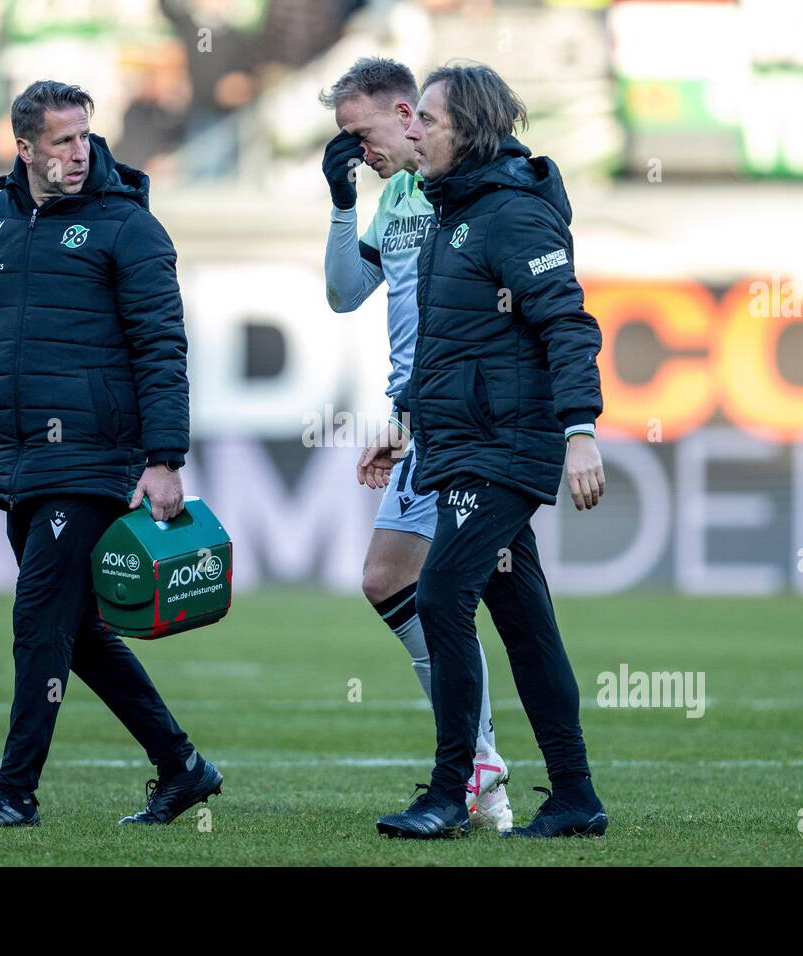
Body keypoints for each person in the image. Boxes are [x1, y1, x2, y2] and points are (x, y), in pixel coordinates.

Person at [0, 80, 221, 827]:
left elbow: (162, 349)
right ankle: (183, 768)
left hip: (91, 457)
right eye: (61, 140)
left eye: (84, 135)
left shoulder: (129, 226)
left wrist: (164, 457)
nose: (79, 151)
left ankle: (15, 792)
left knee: (37, 619)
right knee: (77, 629)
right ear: (24, 148)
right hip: (16, 460)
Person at [360, 63, 608, 839]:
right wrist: (406, 419)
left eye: (427, 120)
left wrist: (580, 432)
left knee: (438, 596)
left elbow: (567, 323)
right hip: (459, 441)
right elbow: (449, 343)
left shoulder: (511, 215)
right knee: (526, 623)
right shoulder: (449, 212)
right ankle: (574, 798)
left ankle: (449, 791)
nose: (414, 131)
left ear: (466, 129)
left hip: (506, 446)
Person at [320, 57, 512, 831]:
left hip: (468, 423)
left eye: (358, 134)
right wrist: (340, 205)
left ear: (407, 114)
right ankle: (488, 769)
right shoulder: (397, 195)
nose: (355, 151)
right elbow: (344, 294)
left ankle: (480, 767)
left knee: (436, 593)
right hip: (421, 418)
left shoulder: (461, 194)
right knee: (399, 583)